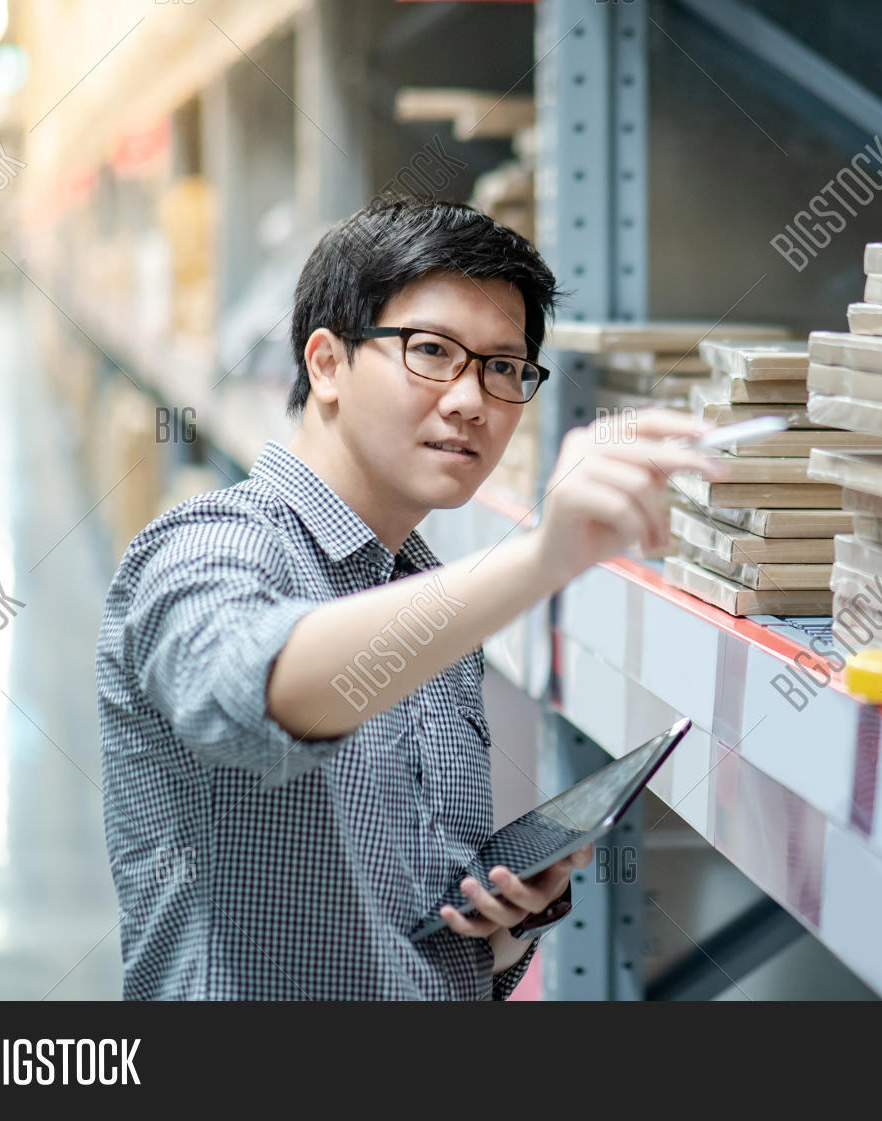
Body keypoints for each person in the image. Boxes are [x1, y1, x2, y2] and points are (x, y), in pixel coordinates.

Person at [95, 198, 722, 999]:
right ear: (325, 364)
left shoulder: (421, 592)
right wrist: (539, 556)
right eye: (431, 351)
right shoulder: (208, 544)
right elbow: (258, 692)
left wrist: (493, 927)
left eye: (503, 367)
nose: (471, 401)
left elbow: (398, 925)